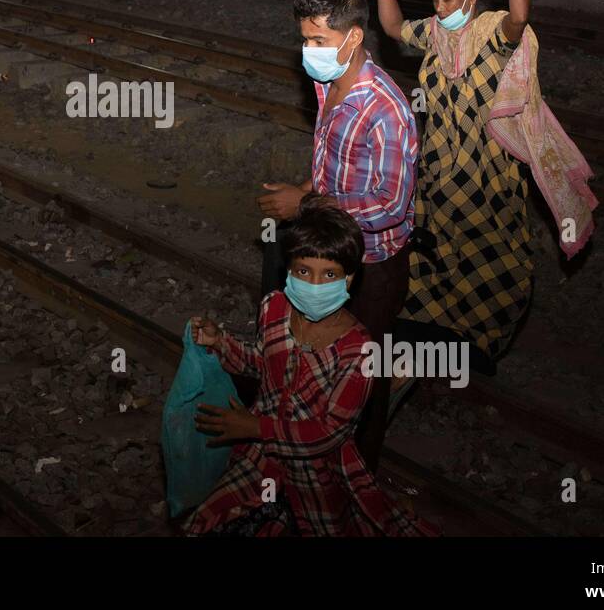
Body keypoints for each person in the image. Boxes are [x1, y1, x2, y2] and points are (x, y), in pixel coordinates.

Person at [376, 0, 596, 377]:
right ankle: (432, 336)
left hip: (487, 176)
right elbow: (392, 27)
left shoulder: (493, 33)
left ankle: (479, 342)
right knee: (435, 253)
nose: (437, 8)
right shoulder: (435, 35)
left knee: (491, 257)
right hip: (438, 173)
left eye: (446, 0)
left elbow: (519, 16)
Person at [184, 197, 437, 537]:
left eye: (329, 274)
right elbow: (262, 362)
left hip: (321, 471)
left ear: (348, 279)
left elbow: (328, 432)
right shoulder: (274, 308)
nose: (315, 285)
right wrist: (220, 343)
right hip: (263, 456)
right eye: (304, 272)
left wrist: (257, 427)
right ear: (288, 271)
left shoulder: (359, 350)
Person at [257, 0, 417, 470]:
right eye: (304, 39)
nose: (309, 52)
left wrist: (306, 206)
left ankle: (357, 473)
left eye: (319, 42)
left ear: (353, 39)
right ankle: (302, 448)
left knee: (362, 373)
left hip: (370, 263)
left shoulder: (386, 109)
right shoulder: (328, 82)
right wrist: (309, 189)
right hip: (328, 247)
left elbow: (390, 203)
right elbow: (334, 161)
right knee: (312, 353)